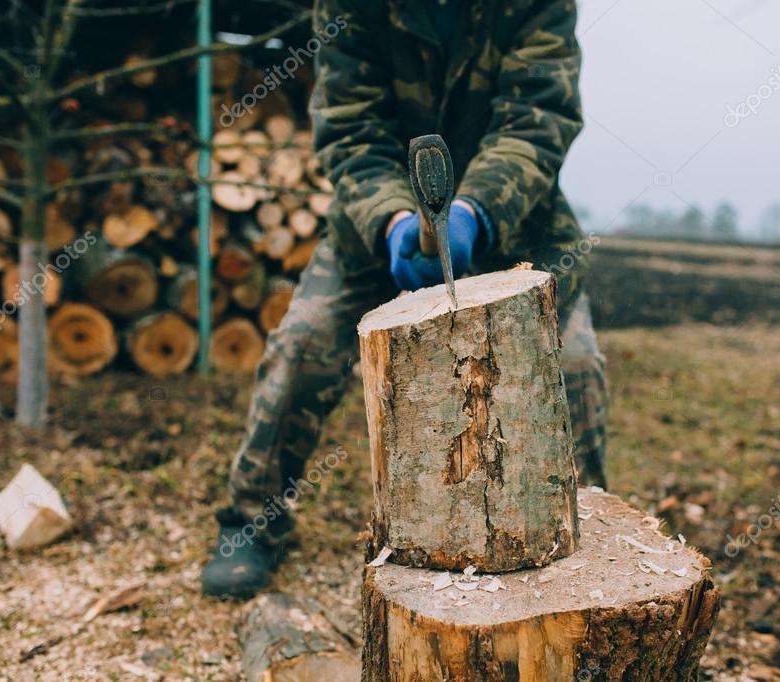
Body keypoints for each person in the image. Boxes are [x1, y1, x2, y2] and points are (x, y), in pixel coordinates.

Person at [201, 0, 607, 599]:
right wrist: (392, 221)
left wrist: (474, 212)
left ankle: (590, 535)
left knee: (573, 365)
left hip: (519, 226)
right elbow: (349, 128)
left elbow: (538, 117)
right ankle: (250, 524)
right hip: (371, 232)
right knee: (301, 346)